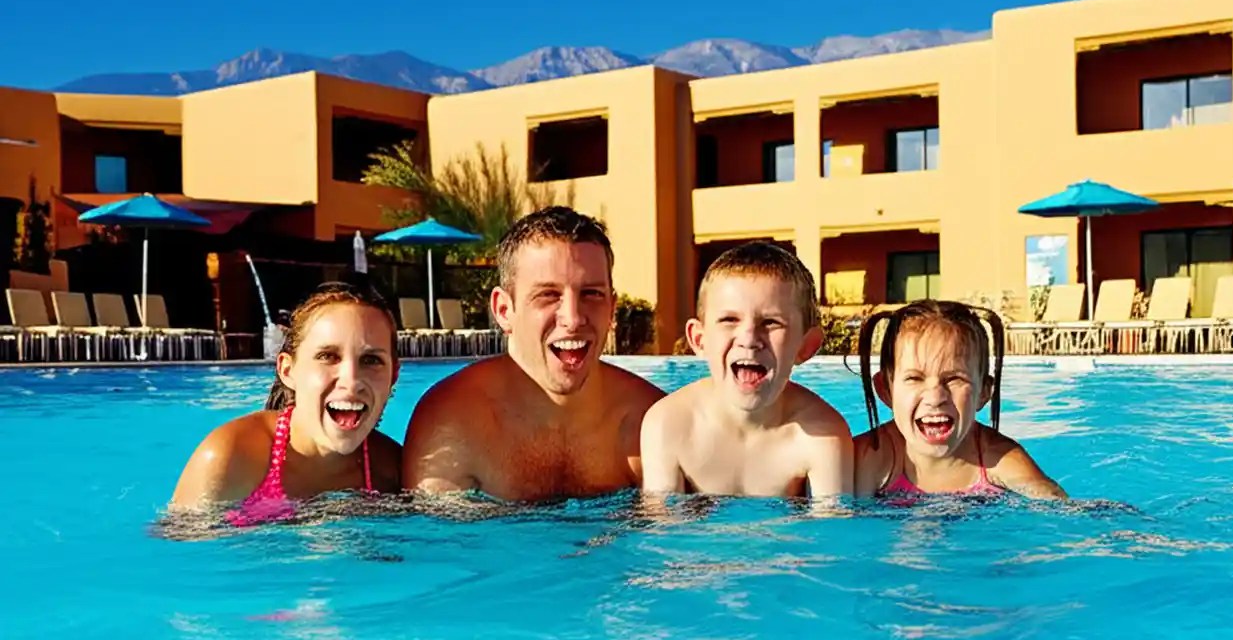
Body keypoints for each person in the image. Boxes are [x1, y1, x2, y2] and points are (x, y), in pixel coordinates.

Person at [402, 207, 665, 502]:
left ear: (611, 309)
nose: (574, 318)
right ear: (504, 310)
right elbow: (433, 542)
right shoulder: (452, 424)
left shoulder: (650, 424)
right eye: (548, 295)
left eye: (591, 294)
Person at [169, 278, 403, 524]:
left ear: (393, 376)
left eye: (371, 360)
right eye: (328, 356)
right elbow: (179, 555)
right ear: (288, 371)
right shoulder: (231, 459)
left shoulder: (390, 471)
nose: (352, 381)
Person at [640, 241, 854, 499]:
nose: (750, 338)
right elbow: (663, 534)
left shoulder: (822, 435)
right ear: (699, 339)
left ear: (806, 346)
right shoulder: (669, 425)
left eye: (771, 322)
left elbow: (832, 534)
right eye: (730, 320)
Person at [850, 299, 1067, 500]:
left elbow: (1061, 512)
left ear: (983, 392)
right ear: (886, 390)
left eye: (954, 378)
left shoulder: (997, 458)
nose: (935, 398)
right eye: (914, 378)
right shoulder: (871, 458)